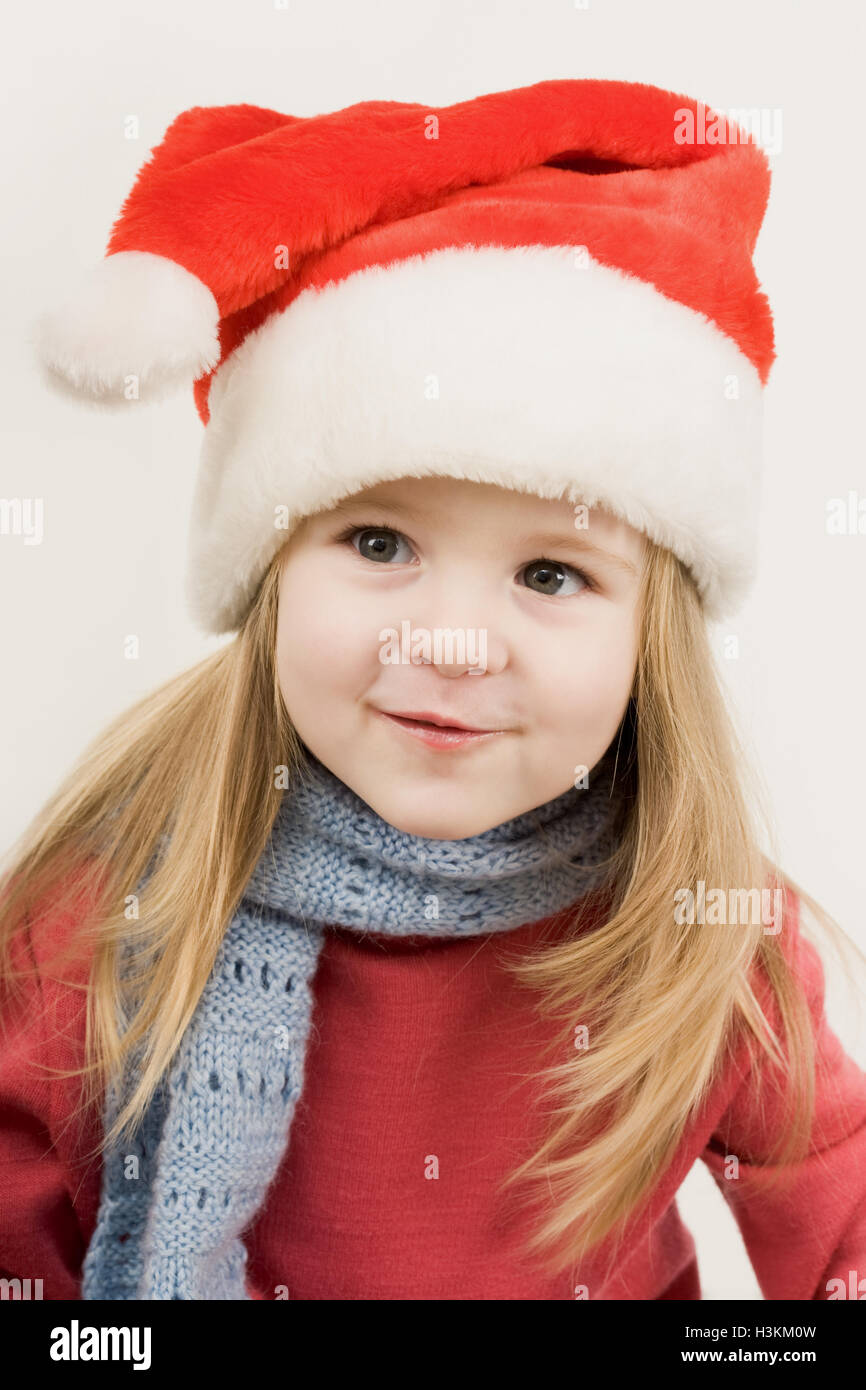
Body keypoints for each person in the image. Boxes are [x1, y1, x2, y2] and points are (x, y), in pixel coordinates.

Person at [2, 78, 865, 1301]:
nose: (454, 642)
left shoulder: (701, 932)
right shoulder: (104, 915)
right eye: (377, 544)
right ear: (266, 573)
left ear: (650, 639)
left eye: (552, 571)